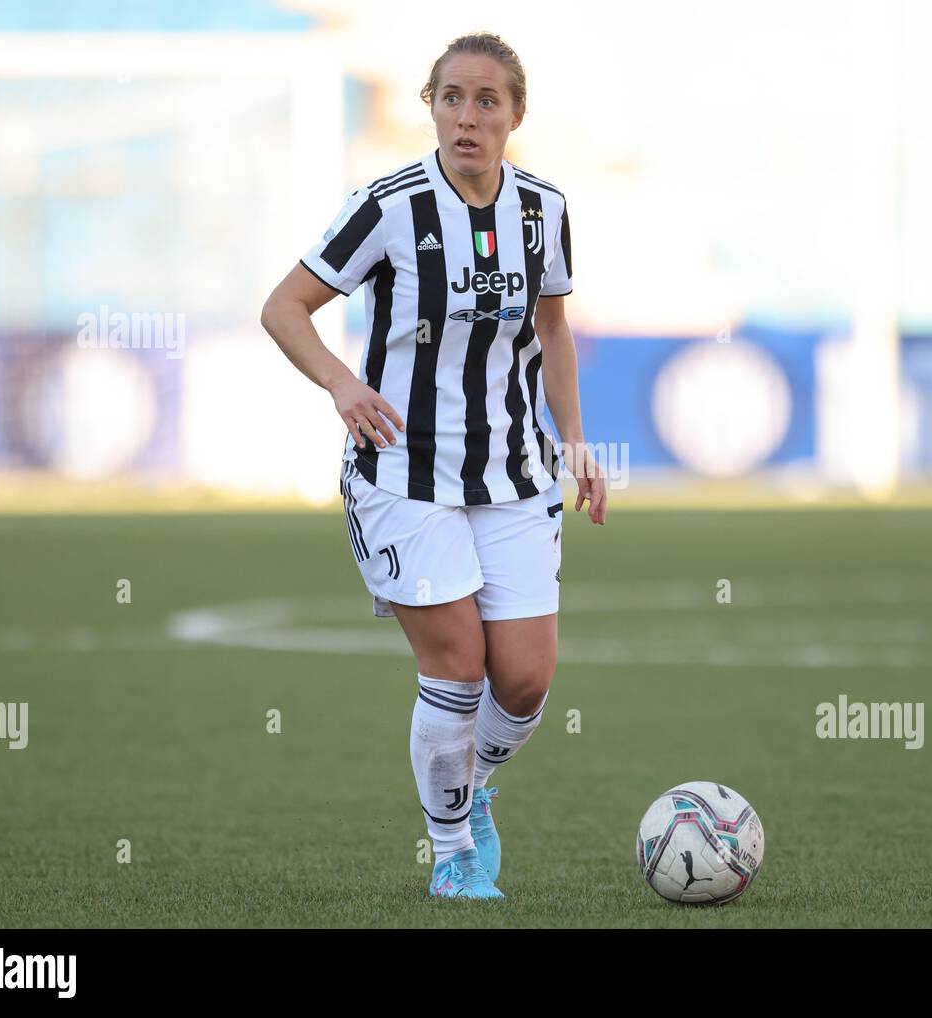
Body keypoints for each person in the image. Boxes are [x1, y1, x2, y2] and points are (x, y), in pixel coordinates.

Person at [261, 31, 606, 900]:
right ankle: (451, 852)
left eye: (487, 100)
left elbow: (554, 326)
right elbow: (285, 307)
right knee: (457, 663)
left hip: (514, 474)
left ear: (514, 115)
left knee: (524, 679)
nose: (467, 116)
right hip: (402, 474)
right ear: (431, 107)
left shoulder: (543, 210)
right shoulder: (387, 206)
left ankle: (471, 786)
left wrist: (574, 439)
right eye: (451, 97)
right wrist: (342, 384)